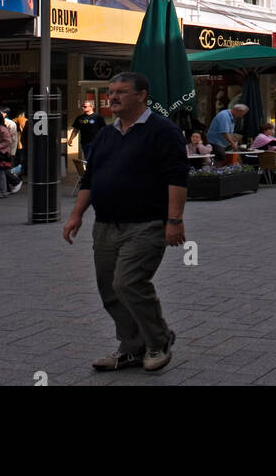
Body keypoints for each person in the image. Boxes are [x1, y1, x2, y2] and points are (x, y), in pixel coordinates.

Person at [62, 72, 188, 374]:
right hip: (105, 224)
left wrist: (174, 220)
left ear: (142, 95)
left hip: (146, 224)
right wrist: (76, 214)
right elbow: (90, 178)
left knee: (128, 282)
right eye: (110, 92)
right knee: (109, 290)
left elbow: (177, 178)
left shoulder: (163, 130)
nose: (113, 97)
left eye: (121, 92)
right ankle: (132, 348)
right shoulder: (106, 134)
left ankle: (159, 341)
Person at [68, 99, 107, 163]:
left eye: (85, 106)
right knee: (88, 160)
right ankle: (90, 172)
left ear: (91, 107)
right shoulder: (80, 118)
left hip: (97, 142)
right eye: (82, 106)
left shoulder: (98, 117)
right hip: (85, 143)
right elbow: (75, 130)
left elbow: (103, 130)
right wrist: (70, 139)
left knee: (97, 160)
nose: (83, 108)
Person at [0, 105, 23, 194]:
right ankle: (6, 188)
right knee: (1, 168)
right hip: (2, 150)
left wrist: (11, 152)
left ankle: (16, 181)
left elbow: (11, 139)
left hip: (8, 150)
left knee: (4, 168)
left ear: (4, 114)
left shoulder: (10, 123)